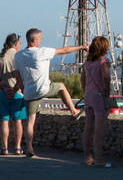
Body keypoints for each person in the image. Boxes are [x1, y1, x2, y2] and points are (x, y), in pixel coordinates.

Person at [14, 28, 86, 158]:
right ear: (35, 39)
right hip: (43, 88)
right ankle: (73, 111)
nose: (41, 41)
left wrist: (23, 88)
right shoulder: (42, 52)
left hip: (29, 91)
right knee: (62, 87)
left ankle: (29, 148)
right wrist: (82, 47)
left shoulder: (18, 55)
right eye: (40, 39)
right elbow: (64, 50)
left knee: (30, 121)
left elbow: (17, 75)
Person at [0, 33, 25, 156]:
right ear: (15, 44)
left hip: (2, 93)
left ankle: (4, 148)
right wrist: (14, 89)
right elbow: (22, 76)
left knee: (4, 122)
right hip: (17, 94)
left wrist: (4, 87)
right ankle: (18, 147)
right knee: (17, 121)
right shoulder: (19, 57)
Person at [81, 36, 113, 168]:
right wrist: (106, 93)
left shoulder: (87, 63)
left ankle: (87, 157)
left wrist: (86, 92)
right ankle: (99, 159)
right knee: (99, 130)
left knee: (88, 128)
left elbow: (82, 80)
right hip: (99, 97)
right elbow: (106, 78)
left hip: (88, 96)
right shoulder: (103, 61)